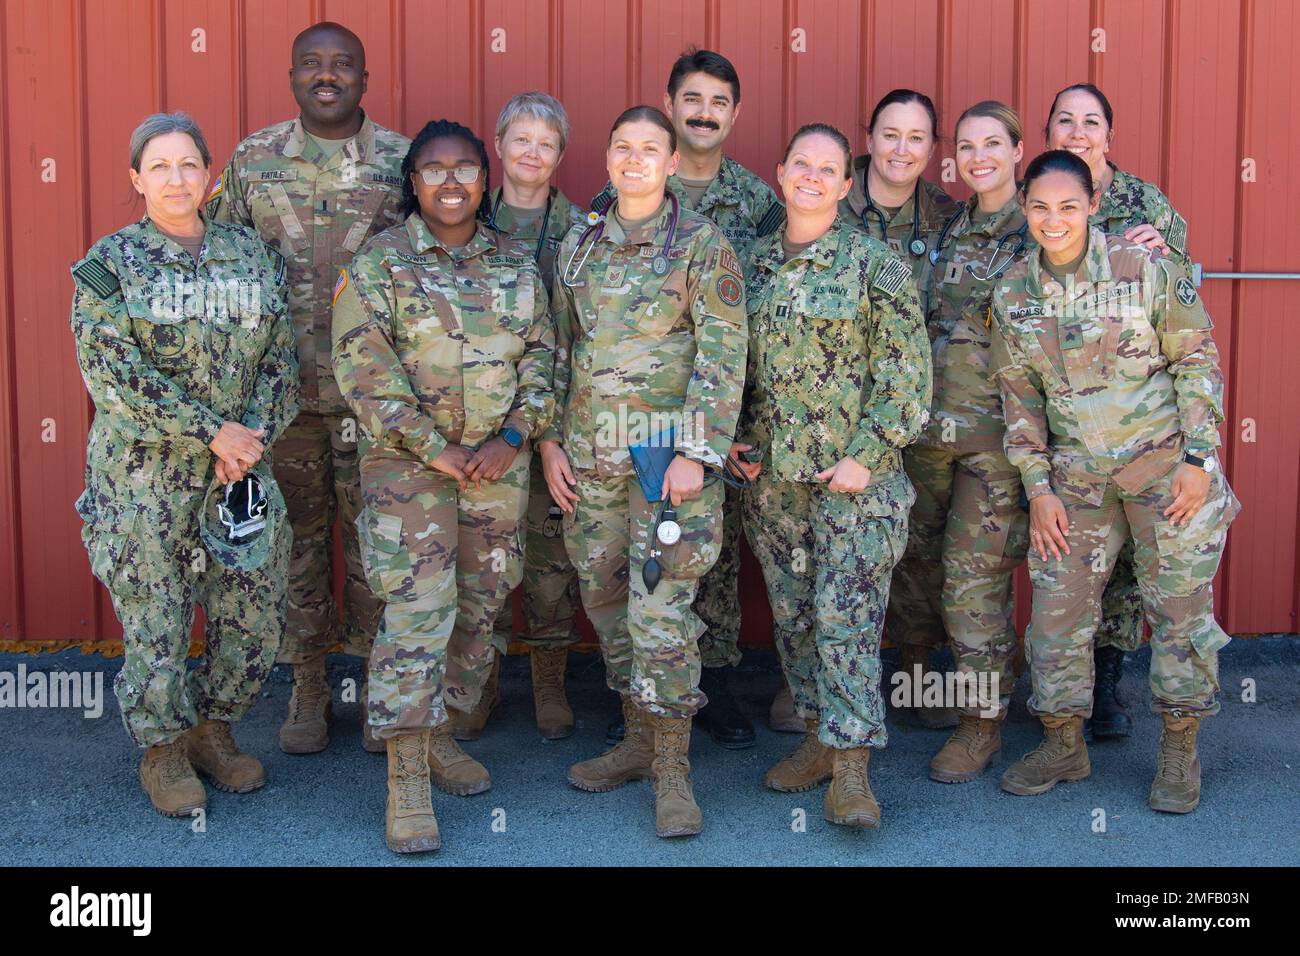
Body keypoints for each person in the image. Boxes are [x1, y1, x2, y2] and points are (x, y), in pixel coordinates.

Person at [990, 149, 1239, 813]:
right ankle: (1063, 742)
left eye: (1069, 206)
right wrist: (1038, 489)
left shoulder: (1144, 267)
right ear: (1024, 207)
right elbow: (1020, 401)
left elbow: (1197, 362)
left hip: (1166, 470)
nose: (1053, 219)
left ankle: (1179, 749)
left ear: (1094, 206)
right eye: (1040, 206)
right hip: (1077, 481)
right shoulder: (1013, 294)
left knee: (1179, 615)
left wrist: (1200, 461)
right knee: (1056, 616)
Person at [331, 119, 554, 853]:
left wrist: (512, 436)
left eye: (465, 169)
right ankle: (405, 778)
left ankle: (441, 733)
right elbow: (363, 370)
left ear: (486, 182)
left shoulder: (516, 264)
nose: (451, 182)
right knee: (417, 614)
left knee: (480, 608)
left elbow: (544, 358)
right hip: (410, 474)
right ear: (413, 182)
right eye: (434, 169)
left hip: (495, 472)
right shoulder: (380, 263)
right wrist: (435, 447)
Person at [71, 112, 298, 817]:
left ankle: (213, 730)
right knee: (157, 615)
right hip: (144, 481)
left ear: (209, 175)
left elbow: (282, 360)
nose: (176, 179)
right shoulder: (111, 266)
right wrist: (210, 432)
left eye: (189, 164)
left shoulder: (252, 258)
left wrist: (249, 439)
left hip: (238, 477)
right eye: (159, 167)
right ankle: (163, 748)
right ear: (136, 179)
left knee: (251, 608)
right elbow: (113, 374)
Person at [911, 103, 1145, 783]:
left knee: (974, 581)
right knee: (936, 575)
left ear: (1018, 152)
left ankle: (980, 724)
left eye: (994, 144)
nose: (979, 156)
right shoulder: (948, 225)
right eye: (966, 146)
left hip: (1006, 444)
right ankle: (956, 693)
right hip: (933, 435)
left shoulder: (1045, 226)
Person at [543, 106, 747, 837]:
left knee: (661, 611)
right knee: (605, 601)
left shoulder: (702, 244)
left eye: (649, 149)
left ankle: (672, 768)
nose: (634, 160)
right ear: (607, 158)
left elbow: (724, 351)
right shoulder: (579, 243)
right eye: (622, 147)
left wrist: (697, 450)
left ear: (671, 162)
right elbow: (558, 347)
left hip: (667, 463)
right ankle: (634, 738)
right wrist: (549, 442)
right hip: (590, 457)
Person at [209, 20, 410, 755]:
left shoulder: (401, 161)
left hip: (374, 399)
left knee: (377, 545)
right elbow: (220, 267)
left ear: (365, 78)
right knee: (294, 544)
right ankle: (310, 685)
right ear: (292, 76)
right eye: (312, 64)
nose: (327, 75)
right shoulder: (254, 159)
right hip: (281, 398)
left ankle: (377, 685)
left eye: (342, 64)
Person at [740, 123, 931, 828]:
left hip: (857, 483)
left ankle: (852, 771)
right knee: (795, 619)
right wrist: (735, 440)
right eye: (802, 165)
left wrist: (866, 454)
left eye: (828, 169)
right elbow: (733, 365)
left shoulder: (874, 264)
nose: (813, 178)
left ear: (846, 185)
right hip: (776, 486)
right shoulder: (750, 264)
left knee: (845, 620)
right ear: (780, 172)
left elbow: (908, 376)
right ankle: (819, 740)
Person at [592, 49, 782, 748]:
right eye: (692, 100)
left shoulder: (757, 203)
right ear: (670, 106)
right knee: (663, 559)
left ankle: (717, 684)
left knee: (715, 556)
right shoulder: (611, 202)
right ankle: (647, 706)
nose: (704, 113)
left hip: (730, 403)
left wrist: (726, 428)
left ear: (734, 114)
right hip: (647, 421)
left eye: (718, 102)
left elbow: (764, 308)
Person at [1043, 82, 1194, 738]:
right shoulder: (1043, 194)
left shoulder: (1145, 203)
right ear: (1048, 132)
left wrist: (1166, 256)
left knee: (1129, 562)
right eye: (1065, 120)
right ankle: (1059, 698)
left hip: (1136, 413)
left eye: (1091, 122)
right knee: (1071, 557)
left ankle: (1107, 681)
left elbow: (1186, 292)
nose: (1078, 132)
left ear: (1110, 135)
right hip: (1068, 412)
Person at [447, 91, 587, 742]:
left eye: (546, 142)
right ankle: (482, 682)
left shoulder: (583, 231)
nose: (532, 152)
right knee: (487, 556)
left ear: (561, 155)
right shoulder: (465, 219)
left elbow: (579, 337)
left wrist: (551, 432)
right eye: (521, 139)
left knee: (552, 555)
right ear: (498, 145)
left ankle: (549, 680)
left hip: (557, 417)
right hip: (480, 421)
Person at [839, 89, 960, 728]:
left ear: (933, 148)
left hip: (921, 410)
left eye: (917, 138)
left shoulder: (949, 216)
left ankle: (915, 671)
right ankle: (818, 682)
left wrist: (1145, 242)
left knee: (921, 541)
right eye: (890, 134)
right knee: (830, 543)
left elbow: (1040, 233)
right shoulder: (829, 194)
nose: (901, 149)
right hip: (835, 411)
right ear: (869, 137)